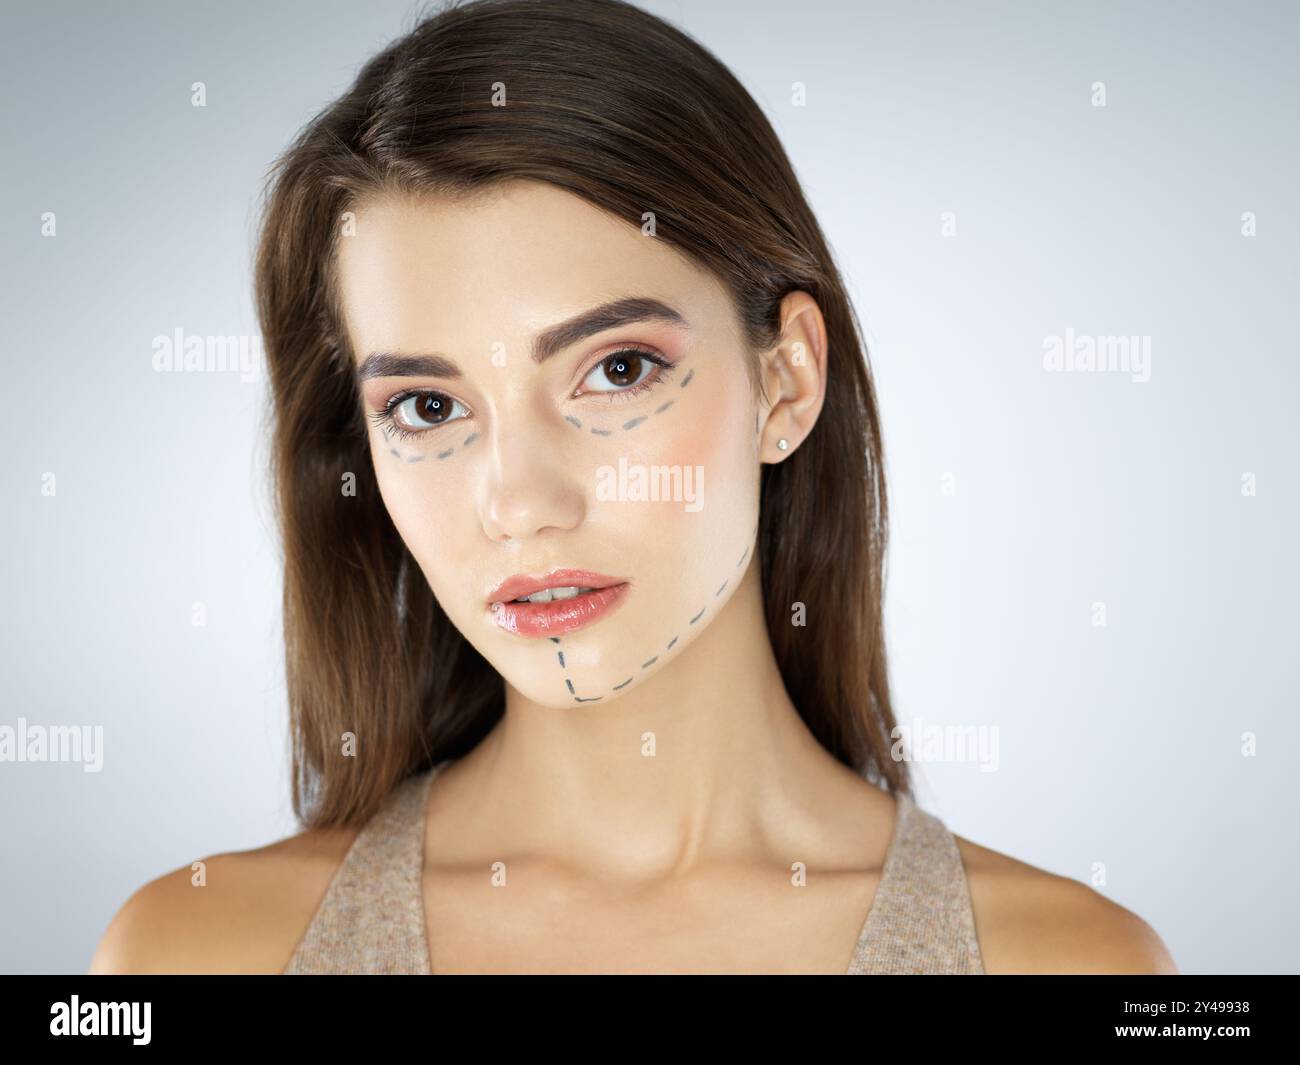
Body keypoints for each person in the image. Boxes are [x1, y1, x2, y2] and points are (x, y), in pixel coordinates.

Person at [91, 0, 1177, 974]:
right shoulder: (192, 952)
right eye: (427, 406)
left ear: (787, 381)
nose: (520, 501)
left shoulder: (1076, 965)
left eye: (616, 371)